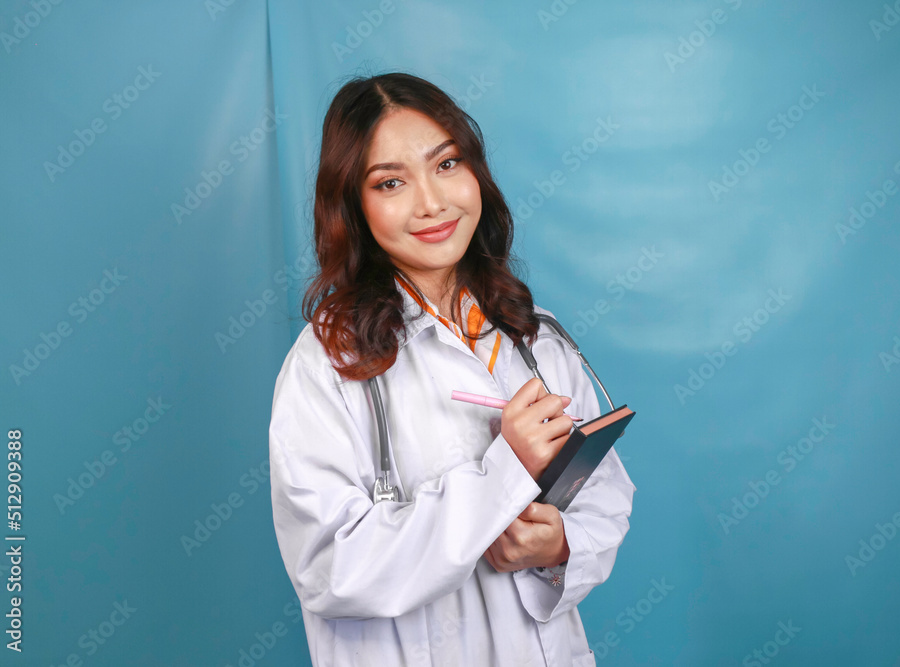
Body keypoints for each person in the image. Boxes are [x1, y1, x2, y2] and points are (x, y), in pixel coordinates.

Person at [268, 71, 635, 667]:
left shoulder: (533, 335)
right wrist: (504, 474)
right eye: (391, 182)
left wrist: (560, 544)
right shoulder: (327, 364)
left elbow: (605, 498)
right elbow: (331, 569)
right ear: (353, 206)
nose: (432, 203)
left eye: (446, 165)